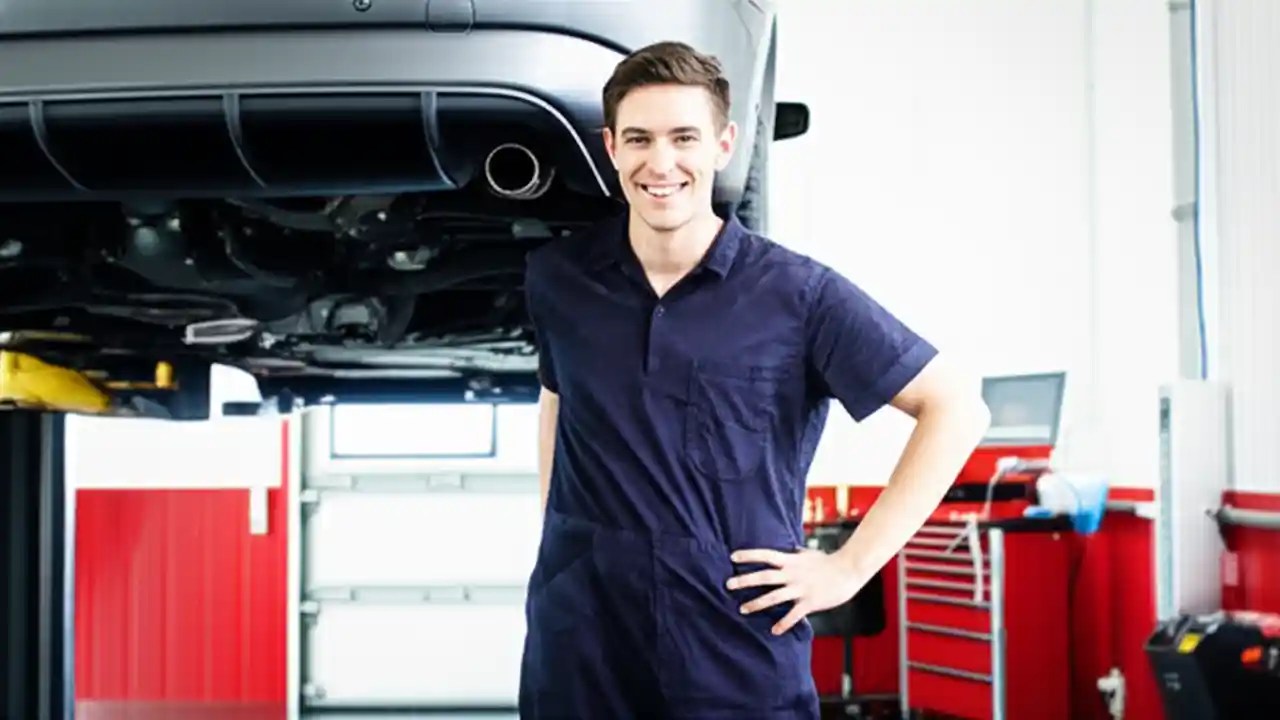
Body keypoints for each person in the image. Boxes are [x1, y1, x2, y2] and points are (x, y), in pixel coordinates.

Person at [517, 41, 992, 719]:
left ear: (723, 144)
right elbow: (559, 401)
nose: (661, 162)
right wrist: (559, 544)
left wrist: (849, 568)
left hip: (732, 642)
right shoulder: (559, 279)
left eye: (684, 137)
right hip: (582, 644)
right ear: (612, 147)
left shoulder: (800, 295)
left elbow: (955, 407)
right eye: (639, 139)